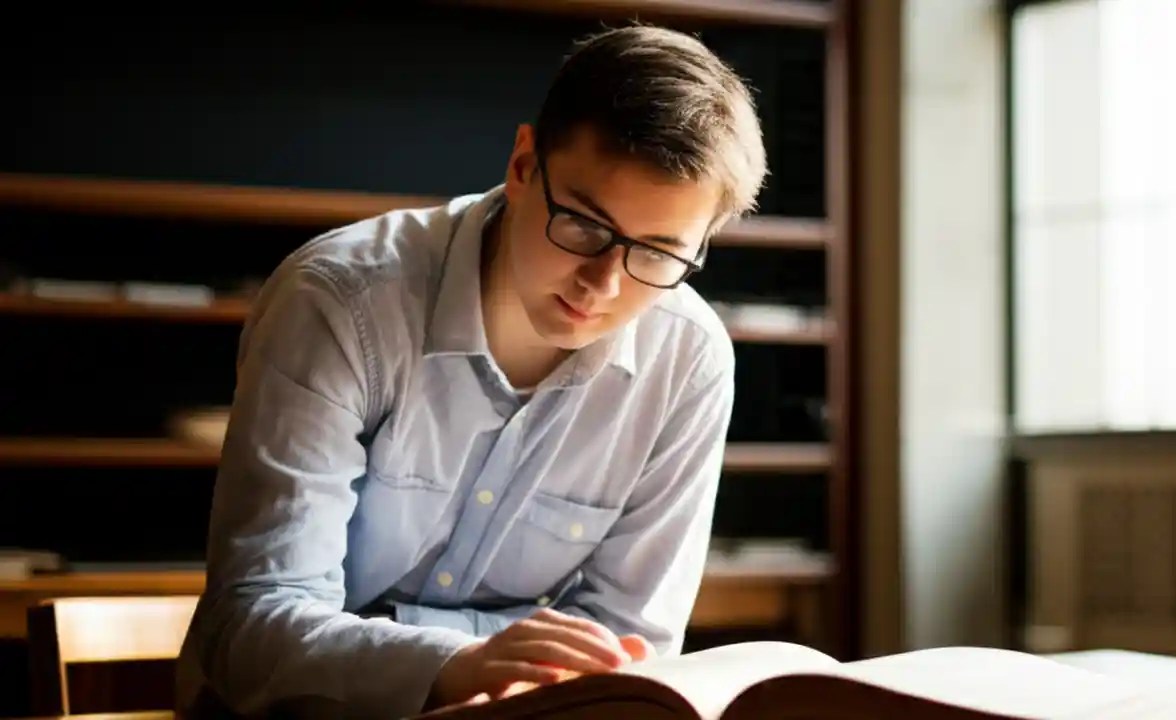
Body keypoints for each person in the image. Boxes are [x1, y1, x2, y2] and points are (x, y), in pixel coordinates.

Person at [175, 22, 768, 720]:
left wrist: (506, 678)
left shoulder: (689, 359)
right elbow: (253, 624)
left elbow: (631, 642)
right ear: (523, 167)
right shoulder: (341, 301)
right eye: (583, 225)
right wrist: (455, 666)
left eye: (660, 254)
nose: (603, 285)